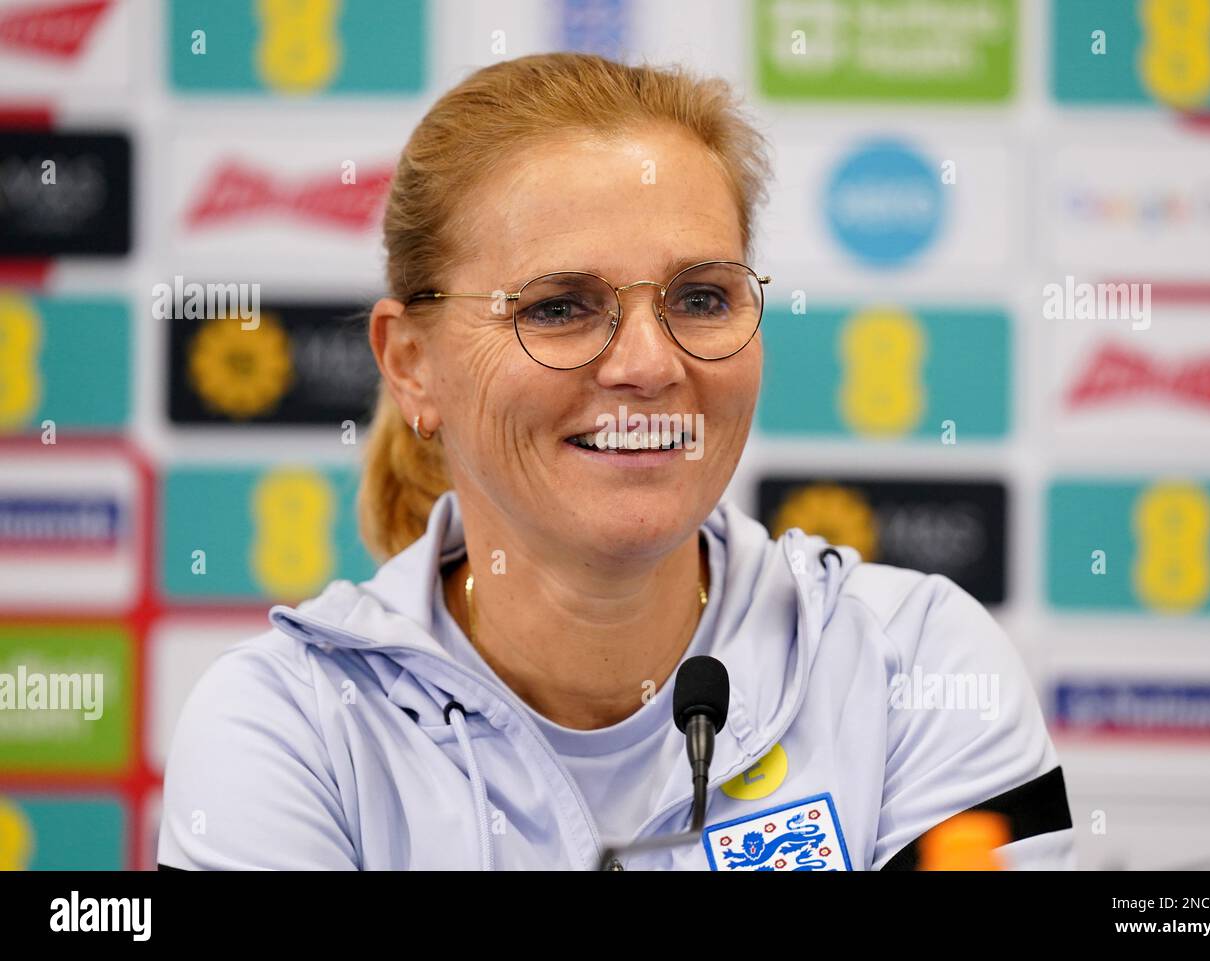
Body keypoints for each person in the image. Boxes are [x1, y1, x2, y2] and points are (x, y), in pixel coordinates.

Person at [157, 52, 1074, 871]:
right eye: (559, 306)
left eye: (702, 296)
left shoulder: (914, 664)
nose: (649, 364)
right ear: (411, 364)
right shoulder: (289, 724)